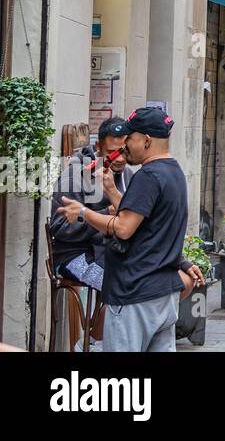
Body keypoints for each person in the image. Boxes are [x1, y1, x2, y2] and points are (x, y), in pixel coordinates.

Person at [55, 107, 197, 352]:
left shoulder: (144, 176)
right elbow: (147, 223)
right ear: (99, 148)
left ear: (146, 140)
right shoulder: (174, 172)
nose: (122, 151)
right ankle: (95, 342)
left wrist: (85, 213)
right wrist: (109, 196)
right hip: (153, 288)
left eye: (128, 140)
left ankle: (93, 344)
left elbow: (124, 228)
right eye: (114, 149)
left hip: (136, 288)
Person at [49, 117, 133, 290]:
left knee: (150, 283)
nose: (119, 158)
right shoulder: (74, 177)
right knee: (120, 289)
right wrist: (105, 214)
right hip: (74, 255)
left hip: (113, 253)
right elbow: (60, 228)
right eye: (112, 152)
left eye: (124, 151)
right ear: (98, 148)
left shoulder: (128, 175)